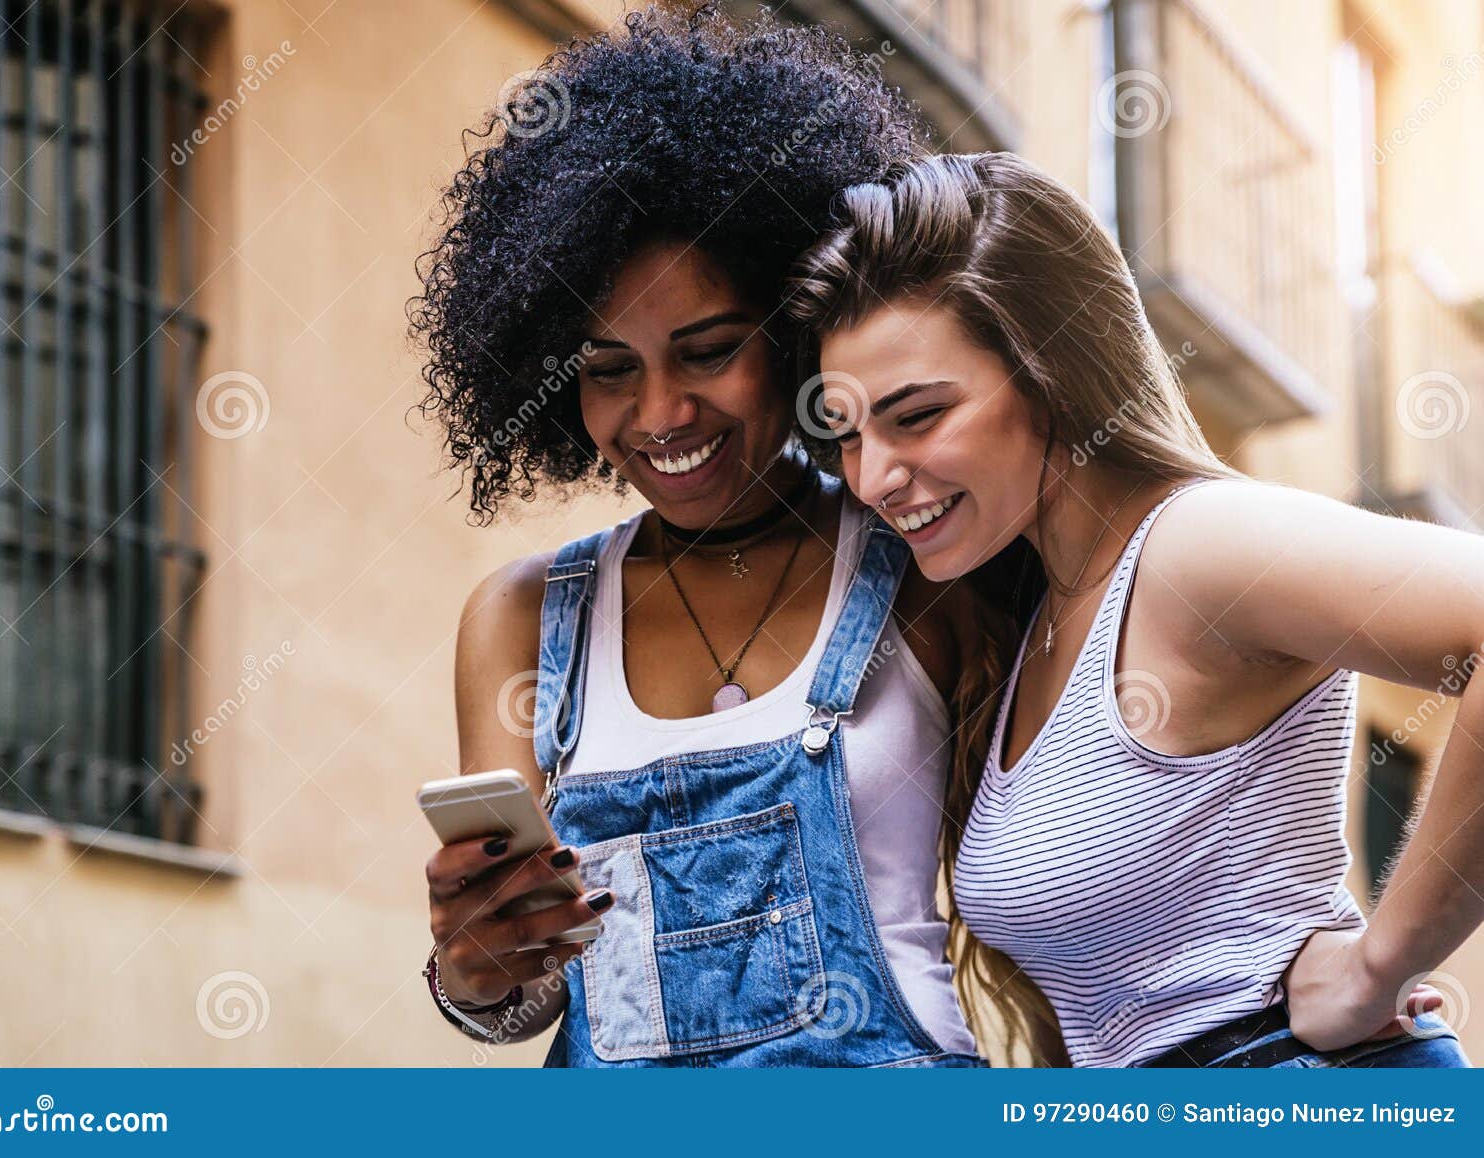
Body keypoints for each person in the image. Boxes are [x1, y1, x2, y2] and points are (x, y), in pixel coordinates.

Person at [410, 9, 1049, 1066]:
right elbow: (525, 1002)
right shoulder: (519, 620)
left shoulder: (929, 564)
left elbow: (1099, 840)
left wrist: (1329, 987)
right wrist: (477, 975)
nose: (660, 414)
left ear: (797, 333)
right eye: (609, 368)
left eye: (707, 352)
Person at [785, 150, 1475, 1067]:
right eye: (849, 434)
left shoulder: (1197, 546)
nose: (873, 477)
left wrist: (1377, 967)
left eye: (917, 416)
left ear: (1052, 372)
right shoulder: (1035, 620)